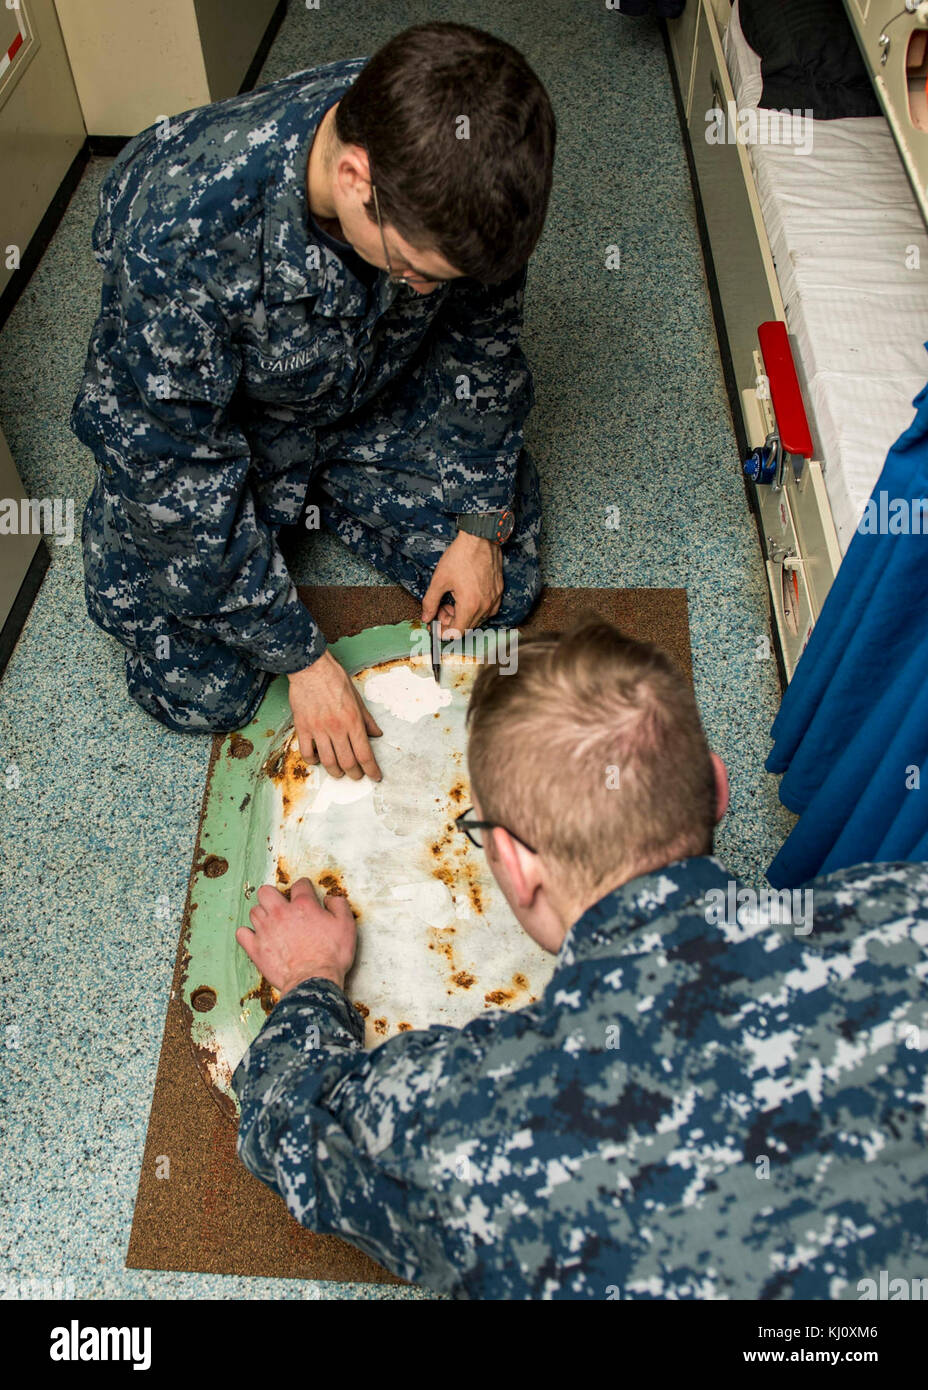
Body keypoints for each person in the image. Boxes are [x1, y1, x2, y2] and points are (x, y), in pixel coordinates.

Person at [232, 619, 928, 1299]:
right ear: (716, 788)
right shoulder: (906, 904)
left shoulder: (477, 1120)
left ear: (513, 862)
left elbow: (290, 1122)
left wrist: (309, 979)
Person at [70, 23, 555, 781]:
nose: (428, 289)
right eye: (414, 271)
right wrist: (299, 657)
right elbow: (169, 472)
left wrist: (480, 523)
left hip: (372, 392)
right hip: (226, 431)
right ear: (357, 179)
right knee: (202, 690)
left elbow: (480, 353)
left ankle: (321, 502)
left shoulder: (463, 177)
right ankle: (262, 530)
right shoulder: (180, 236)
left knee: (500, 586)